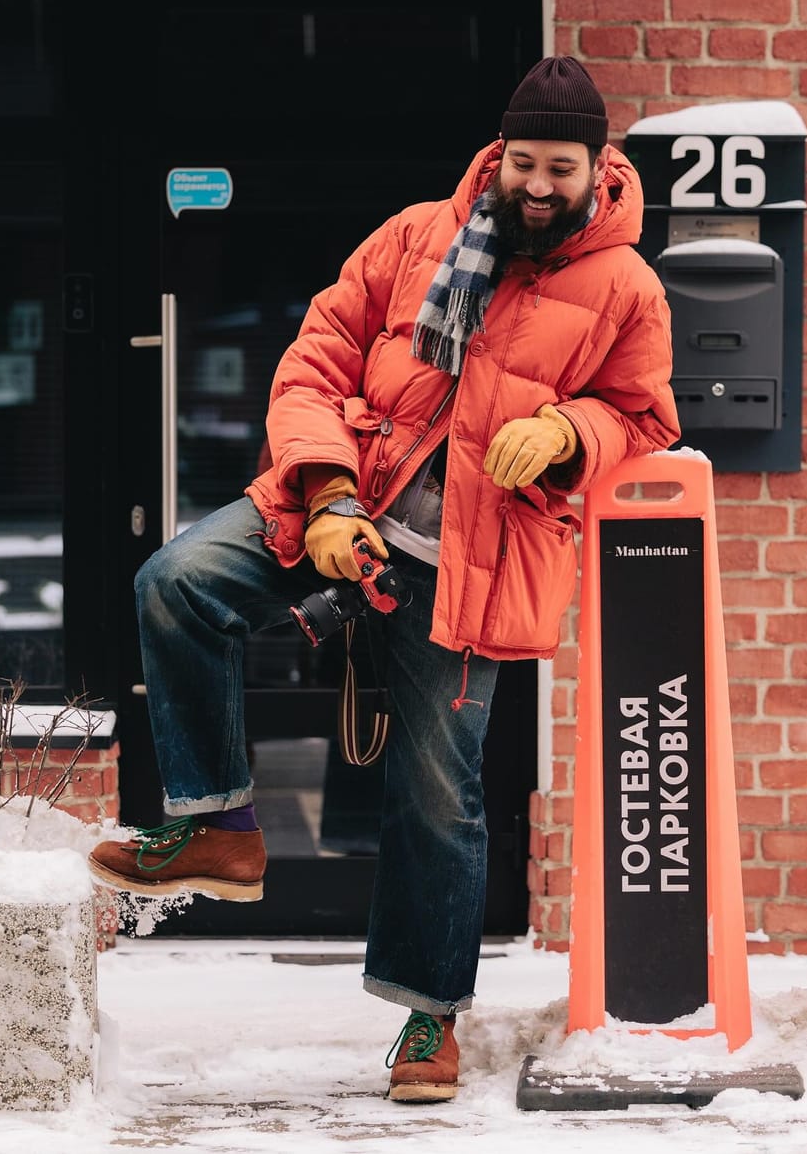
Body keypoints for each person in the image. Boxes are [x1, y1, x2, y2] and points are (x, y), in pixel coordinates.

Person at [89, 56, 681, 1103]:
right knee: (178, 581)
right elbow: (314, 359)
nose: (540, 186)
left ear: (598, 169)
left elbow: (644, 421)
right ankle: (221, 826)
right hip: (345, 508)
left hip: (474, 565)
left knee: (436, 795)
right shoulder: (415, 236)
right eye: (527, 163)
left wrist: (566, 430)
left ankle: (427, 1017)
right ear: (500, 155)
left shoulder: (626, 286)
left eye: (563, 168)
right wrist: (325, 496)